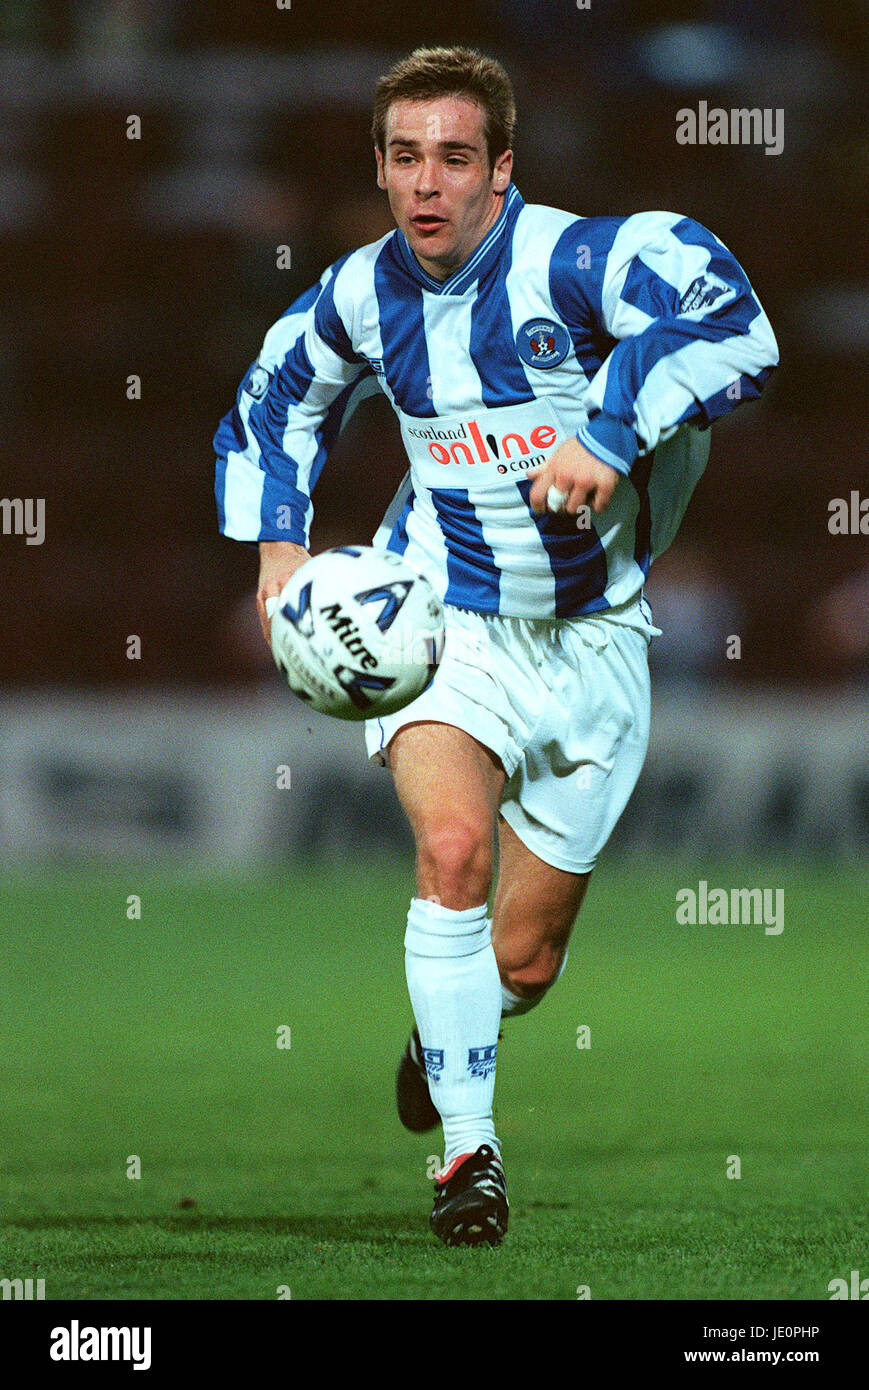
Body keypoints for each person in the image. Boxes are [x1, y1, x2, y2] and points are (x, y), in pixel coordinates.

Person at [214, 45, 778, 1247]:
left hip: (597, 644)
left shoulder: (585, 258)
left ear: (500, 169)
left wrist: (613, 428)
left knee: (521, 966)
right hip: (443, 622)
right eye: (404, 158)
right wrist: (275, 546)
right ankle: (468, 1158)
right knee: (454, 853)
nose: (427, 185)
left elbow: (737, 324)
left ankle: (448, 1025)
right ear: (379, 168)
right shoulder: (362, 292)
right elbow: (275, 397)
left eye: (454, 159)